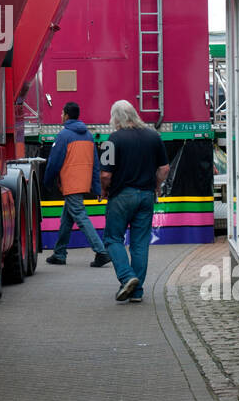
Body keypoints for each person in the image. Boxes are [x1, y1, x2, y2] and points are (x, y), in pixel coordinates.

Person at [100, 99, 169, 303]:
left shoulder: (112, 139)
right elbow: (165, 168)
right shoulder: (153, 136)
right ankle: (137, 292)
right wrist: (156, 185)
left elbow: (105, 175)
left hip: (121, 196)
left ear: (116, 118)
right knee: (140, 243)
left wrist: (104, 191)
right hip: (146, 196)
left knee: (113, 239)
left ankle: (127, 277)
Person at [42, 102, 109, 267]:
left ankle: (101, 251)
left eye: (61, 113)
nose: (60, 116)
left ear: (66, 115)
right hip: (83, 182)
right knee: (67, 217)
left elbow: (54, 162)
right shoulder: (88, 136)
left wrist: (47, 182)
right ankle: (59, 253)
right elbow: (95, 164)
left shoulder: (64, 135)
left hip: (70, 183)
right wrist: (96, 187)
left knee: (79, 215)